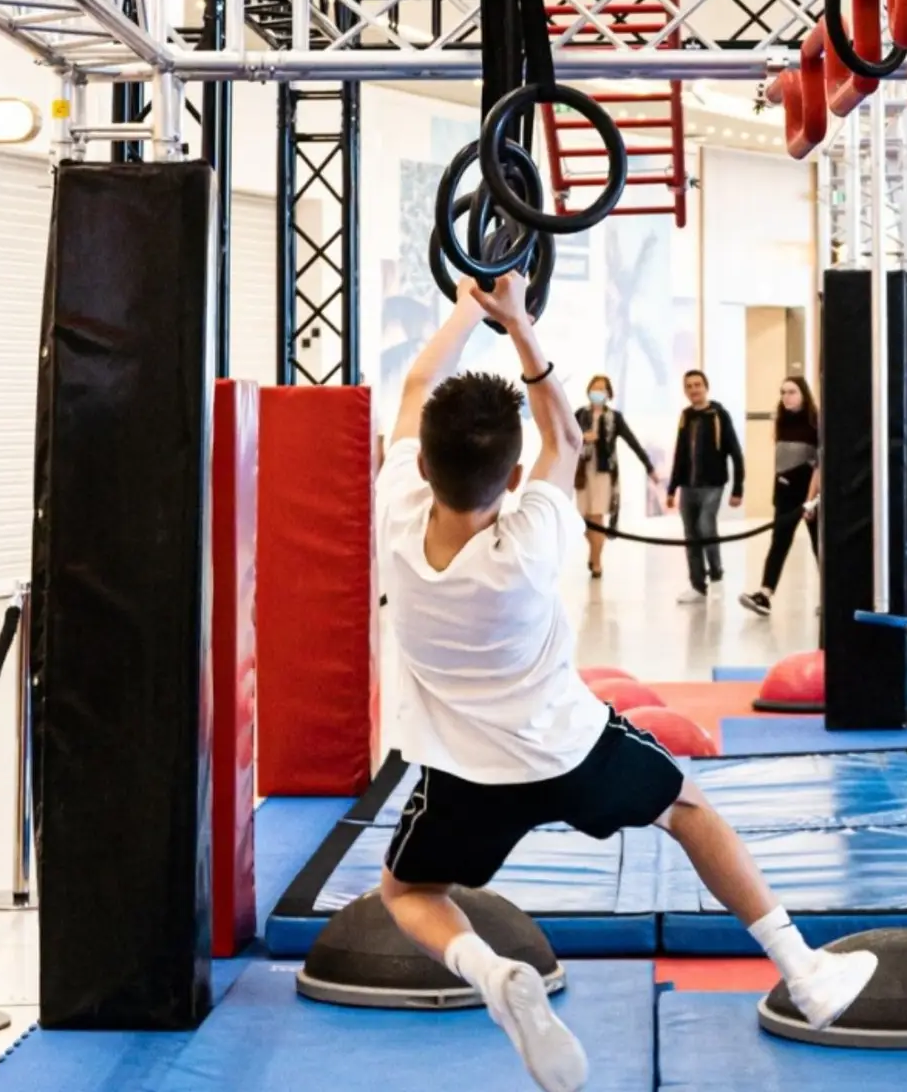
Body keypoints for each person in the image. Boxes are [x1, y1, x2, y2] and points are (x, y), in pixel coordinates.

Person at [376, 275, 878, 1092]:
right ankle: (804, 969)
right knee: (688, 809)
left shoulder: (396, 508)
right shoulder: (528, 543)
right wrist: (514, 319)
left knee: (406, 892)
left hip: (461, 776)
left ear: (423, 464)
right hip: (570, 749)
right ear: (509, 481)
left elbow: (413, 387)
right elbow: (564, 438)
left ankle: (490, 974)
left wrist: (470, 308)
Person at [739, 376, 821, 618]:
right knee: (779, 543)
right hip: (784, 495)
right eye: (783, 392)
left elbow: (818, 464)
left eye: (792, 392)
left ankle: (830, 596)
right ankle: (765, 594)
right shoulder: (782, 423)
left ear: (803, 394)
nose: (786, 396)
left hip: (808, 495)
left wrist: (810, 499)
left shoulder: (815, 424)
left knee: (820, 546)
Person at [665, 369, 744, 604]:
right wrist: (672, 488)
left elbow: (736, 453)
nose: (693, 390)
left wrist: (738, 488)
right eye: (689, 386)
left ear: (705, 387)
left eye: (697, 385)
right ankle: (698, 586)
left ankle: (716, 572)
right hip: (688, 487)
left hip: (713, 485)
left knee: (705, 526)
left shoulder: (719, 415)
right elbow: (680, 454)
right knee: (691, 535)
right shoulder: (685, 417)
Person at [573, 374, 659, 579]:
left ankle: (596, 562)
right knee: (583, 520)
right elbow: (566, 437)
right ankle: (594, 553)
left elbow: (632, 441)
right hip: (583, 473)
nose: (598, 393)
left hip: (604, 473)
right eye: (595, 388)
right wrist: (581, 438)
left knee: (597, 516)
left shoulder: (615, 418)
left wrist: (649, 466)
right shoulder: (579, 415)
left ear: (608, 393)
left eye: (602, 389)